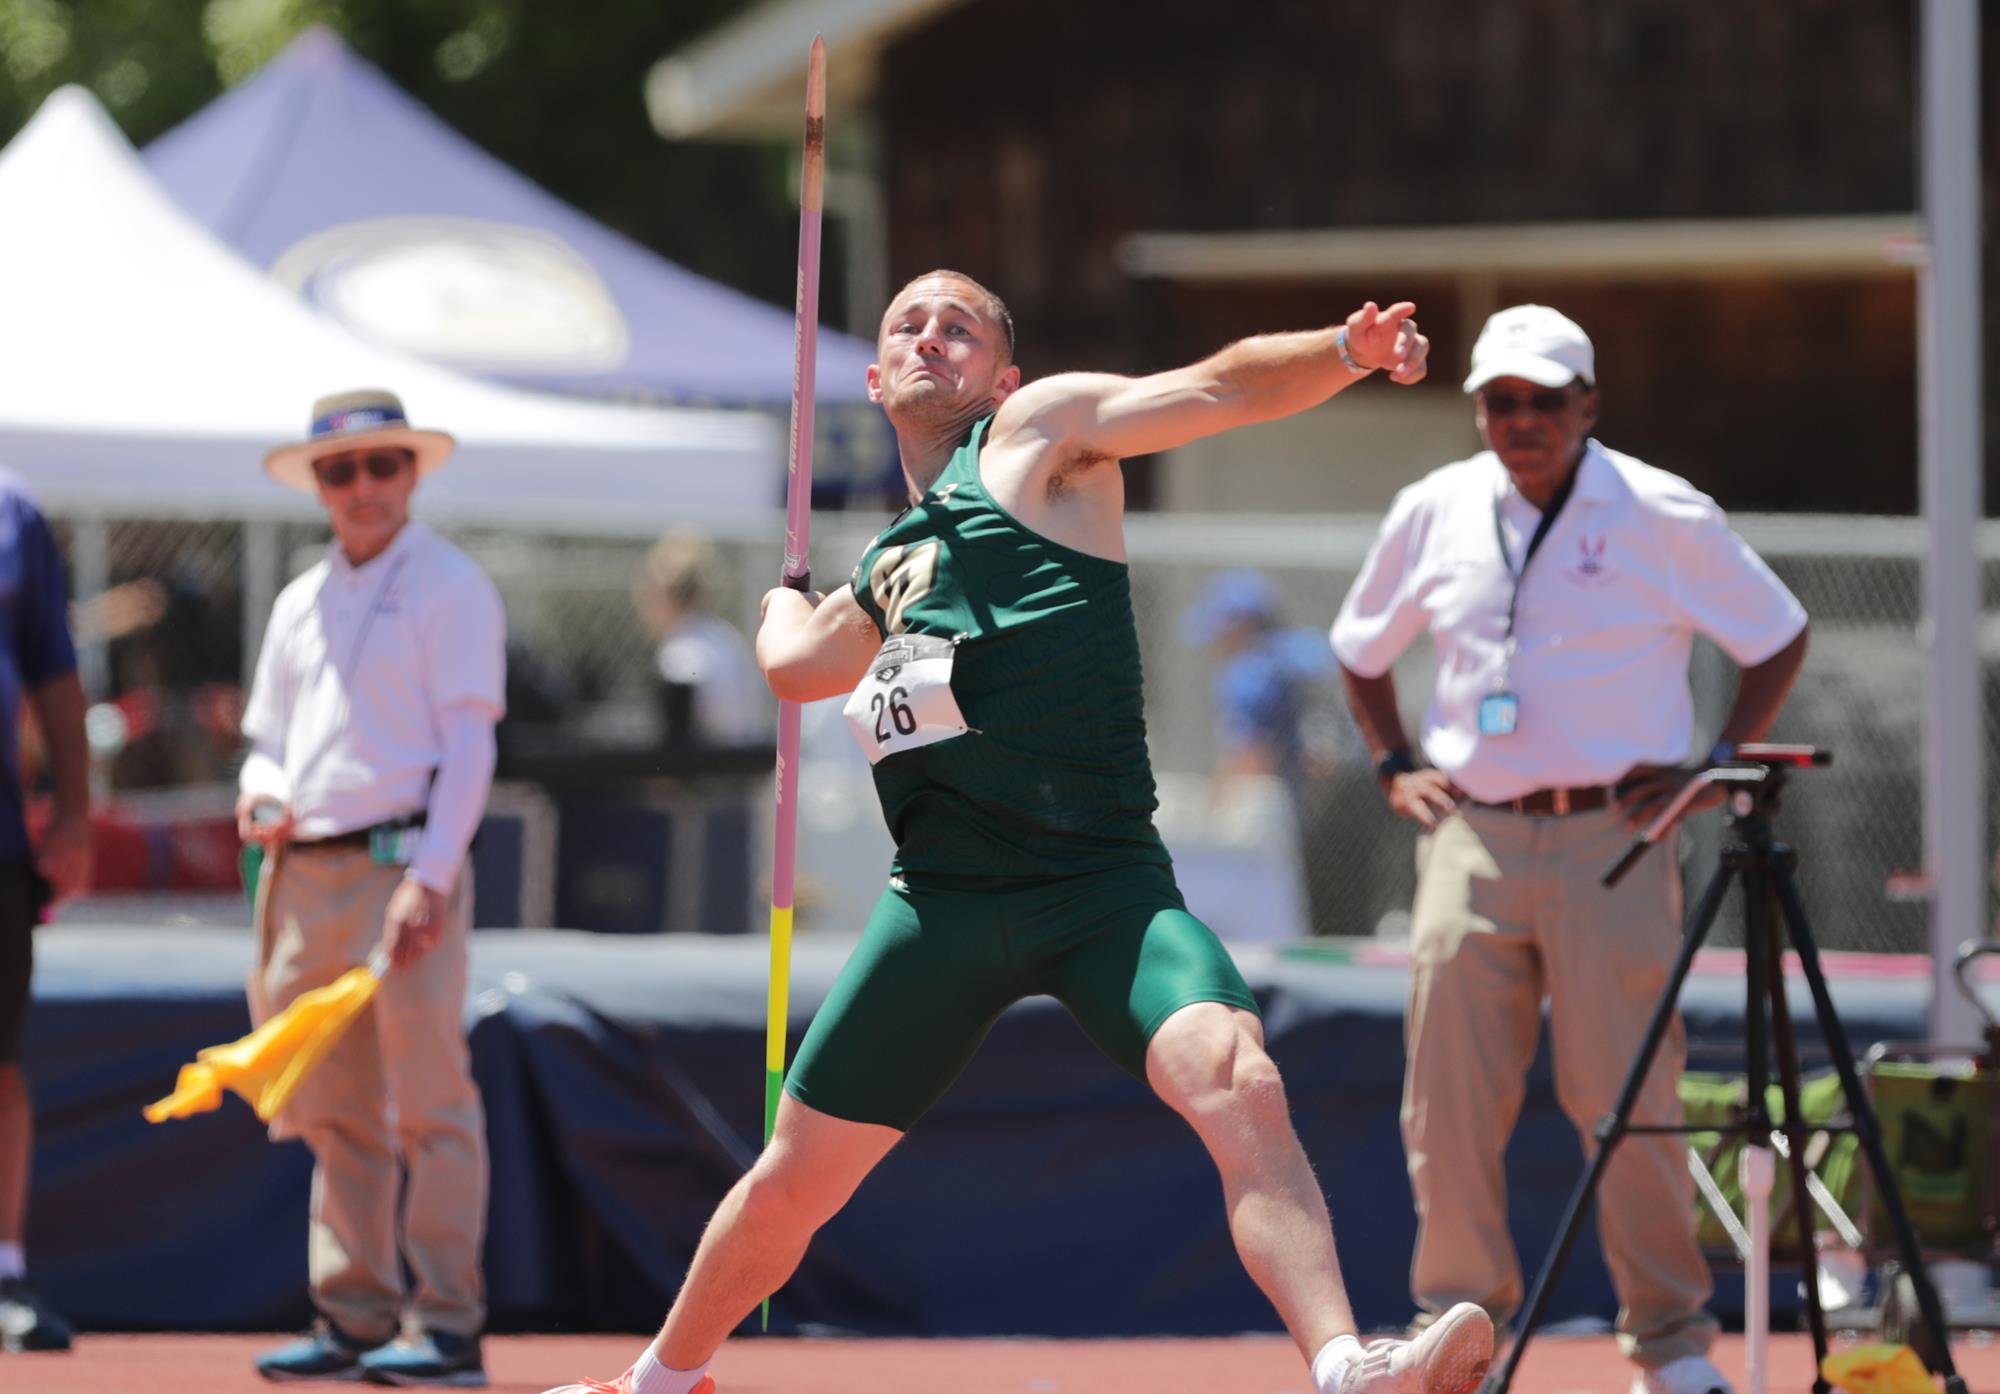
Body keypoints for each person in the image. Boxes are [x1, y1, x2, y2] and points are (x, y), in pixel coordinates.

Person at [541, 272, 1494, 1394]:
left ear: (1005, 372)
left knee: (1235, 1077)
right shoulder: (891, 564)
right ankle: (659, 1378)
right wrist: (776, 604)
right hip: (940, 904)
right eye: (908, 323)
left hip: (1100, 888)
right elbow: (799, 667)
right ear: (872, 376)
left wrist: (1343, 348)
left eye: (961, 327)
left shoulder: (1041, 438)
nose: (930, 337)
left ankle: (1345, 1365)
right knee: (795, 1176)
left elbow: (1215, 389)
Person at [1330, 305, 1811, 1394]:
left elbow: (1774, 628)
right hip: (1473, 833)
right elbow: (1358, 645)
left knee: (1630, 1090)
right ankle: (1450, 1330)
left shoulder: (1656, 508)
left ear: (1587, 405)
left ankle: (1668, 1339)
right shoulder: (1433, 506)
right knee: (1444, 1102)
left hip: (1617, 831)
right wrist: (1391, 759)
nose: (1522, 420)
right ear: (1476, 412)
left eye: (1545, 399)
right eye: (1500, 400)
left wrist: (1714, 760)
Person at [238, 390, 505, 1387]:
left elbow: (471, 743)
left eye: (380, 465)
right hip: (306, 866)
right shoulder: (300, 597)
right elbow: (267, 738)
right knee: (330, 1103)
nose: (361, 486)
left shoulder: (450, 583)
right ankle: (352, 1309)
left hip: (400, 861)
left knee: (430, 1099)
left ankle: (445, 1321)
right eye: (340, 470)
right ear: (318, 483)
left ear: (411, 472)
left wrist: (430, 875)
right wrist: (262, 792)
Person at [0, 475, 93, 1354]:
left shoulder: (13, 512)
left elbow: (55, 675)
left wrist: (72, 812)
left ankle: (4, 1270)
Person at [633, 531, 768, 749]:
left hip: (713, 772)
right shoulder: (725, 635)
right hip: (745, 766)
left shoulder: (681, 650)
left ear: (664, 594)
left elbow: (678, 734)